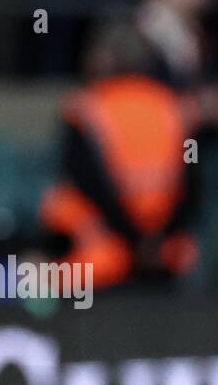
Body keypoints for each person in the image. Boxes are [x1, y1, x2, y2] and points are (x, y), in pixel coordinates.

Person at [39, 24, 199, 291]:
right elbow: (192, 183)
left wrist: (133, 240)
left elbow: (86, 181)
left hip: (99, 262)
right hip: (166, 260)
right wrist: (155, 242)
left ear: (101, 59)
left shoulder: (84, 108)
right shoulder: (176, 108)